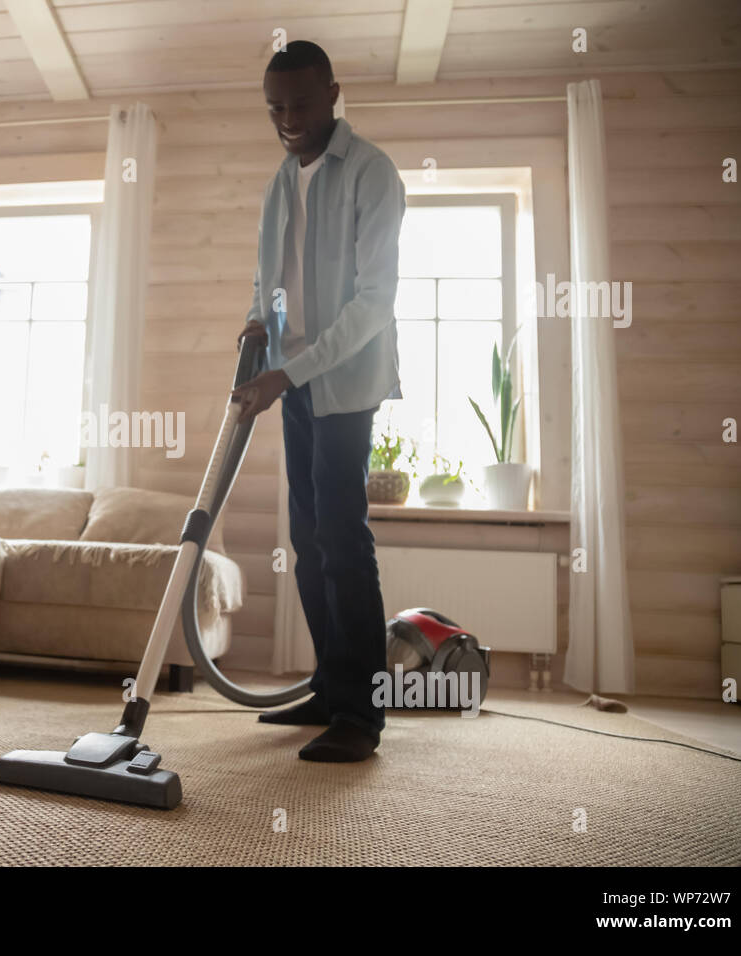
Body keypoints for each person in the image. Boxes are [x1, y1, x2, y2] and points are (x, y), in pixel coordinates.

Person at [232, 40, 406, 762]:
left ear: (334, 93)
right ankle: (330, 687)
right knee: (307, 543)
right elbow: (268, 277)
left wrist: (292, 371)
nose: (289, 119)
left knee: (341, 540)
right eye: (276, 107)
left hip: (340, 384)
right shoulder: (281, 181)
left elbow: (373, 305)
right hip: (289, 381)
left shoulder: (372, 173)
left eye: (302, 103)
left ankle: (361, 717)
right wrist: (256, 323)